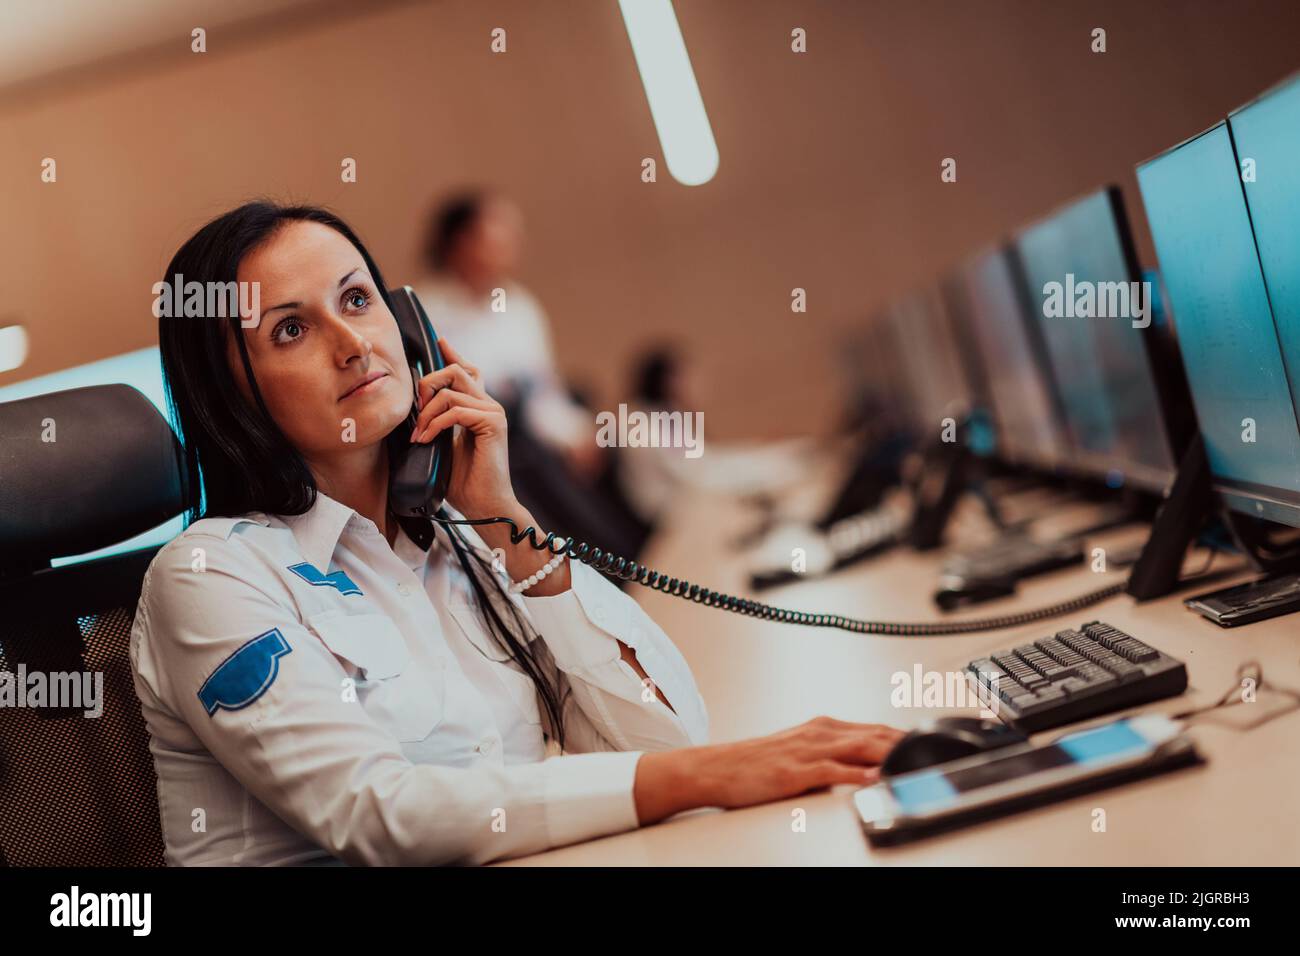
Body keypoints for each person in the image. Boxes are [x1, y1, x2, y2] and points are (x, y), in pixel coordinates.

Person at [130, 200, 905, 866]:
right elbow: (379, 815)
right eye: (291, 329)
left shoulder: (463, 536)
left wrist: (508, 523)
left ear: (411, 327)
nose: (353, 342)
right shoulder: (209, 578)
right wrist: (712, 775)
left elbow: (665, 742)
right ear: (231, 397)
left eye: (359, 300)